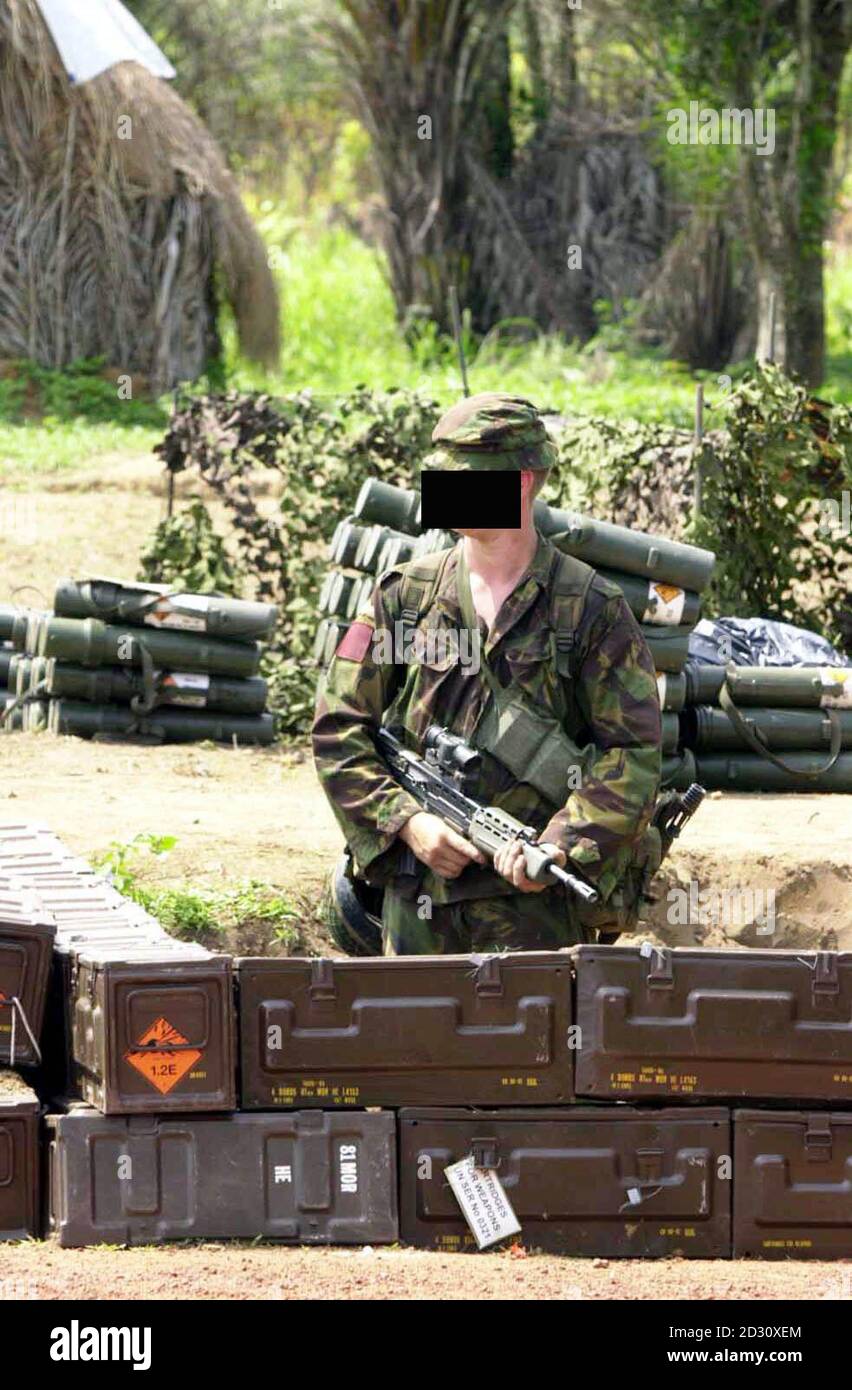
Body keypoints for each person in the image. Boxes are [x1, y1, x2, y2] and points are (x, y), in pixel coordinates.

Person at [312, 392, 661, 955]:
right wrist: (407, 823)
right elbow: (337, 728)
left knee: (533, 1043)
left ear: (522, 483)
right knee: (414, 1040)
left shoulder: (592, 608)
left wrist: (558, 846)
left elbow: (632, 755)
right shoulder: (403, 597)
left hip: (535, 910)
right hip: (417, 898)